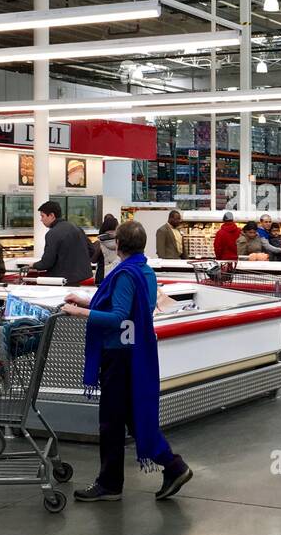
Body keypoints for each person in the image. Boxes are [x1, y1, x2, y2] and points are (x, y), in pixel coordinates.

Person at [61, 220, 193, 503]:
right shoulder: (145, 271)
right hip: (136, 352)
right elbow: (132, 309)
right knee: (134, 418)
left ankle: (110, 484)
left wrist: (78, 313)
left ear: (118, 244)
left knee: (110, 421)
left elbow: (119, 316)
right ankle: (174, 466)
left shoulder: (124, 274)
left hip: (118, 354)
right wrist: (86, 301)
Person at [32, 200, 93, 284]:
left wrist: (34, 265)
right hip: (81, 277)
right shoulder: (76, 228)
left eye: (42, 216)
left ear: (52, 215)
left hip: (61, 279)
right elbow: (91, 250)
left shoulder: (52, 233)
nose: (41, 220)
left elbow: (47, 262)